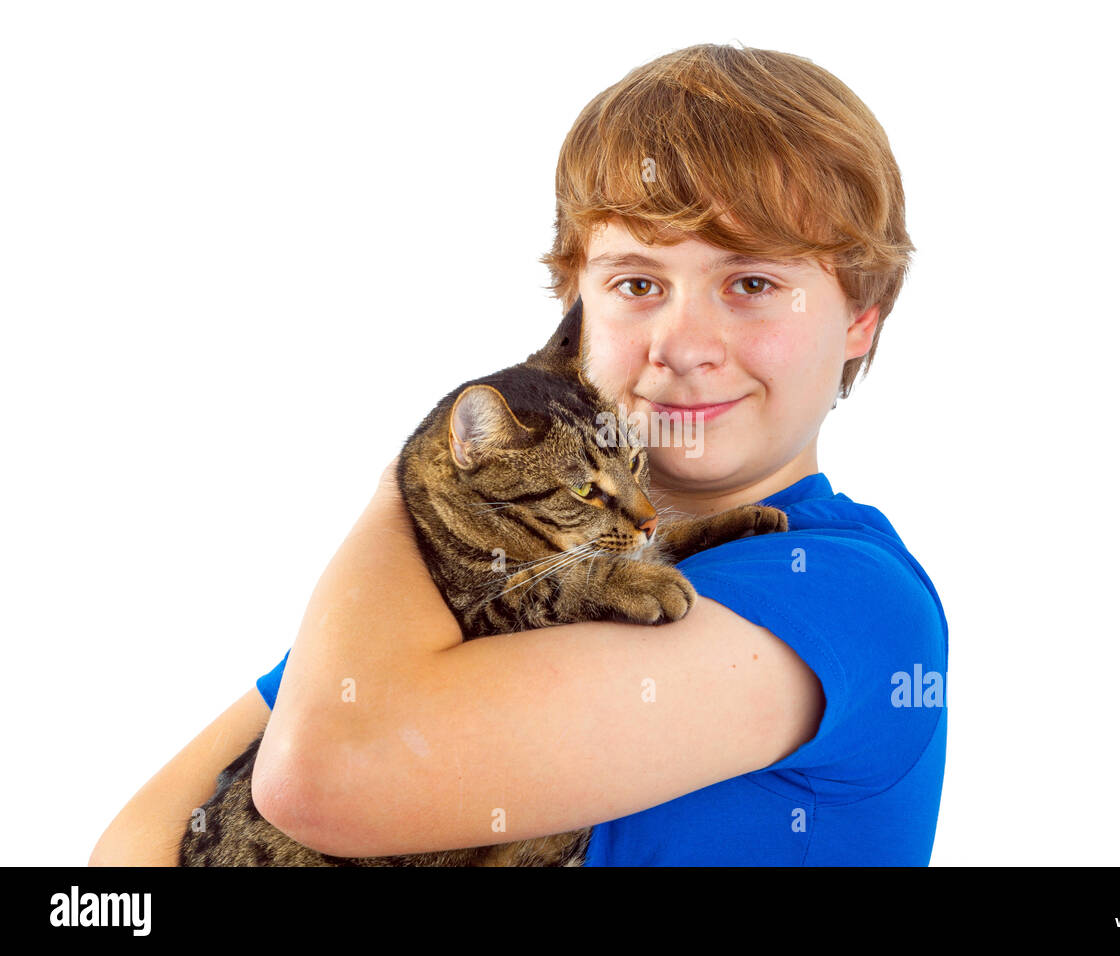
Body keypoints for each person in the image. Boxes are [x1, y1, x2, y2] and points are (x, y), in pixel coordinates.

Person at [91, 42, 947, 867]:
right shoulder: (499, 569)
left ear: (861, 315)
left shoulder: (844, 596)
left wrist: (428, 475)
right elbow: (128, 856)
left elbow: (324, 775)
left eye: (752, 283)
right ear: (574, 304)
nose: (682, 346)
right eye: (637, 284)